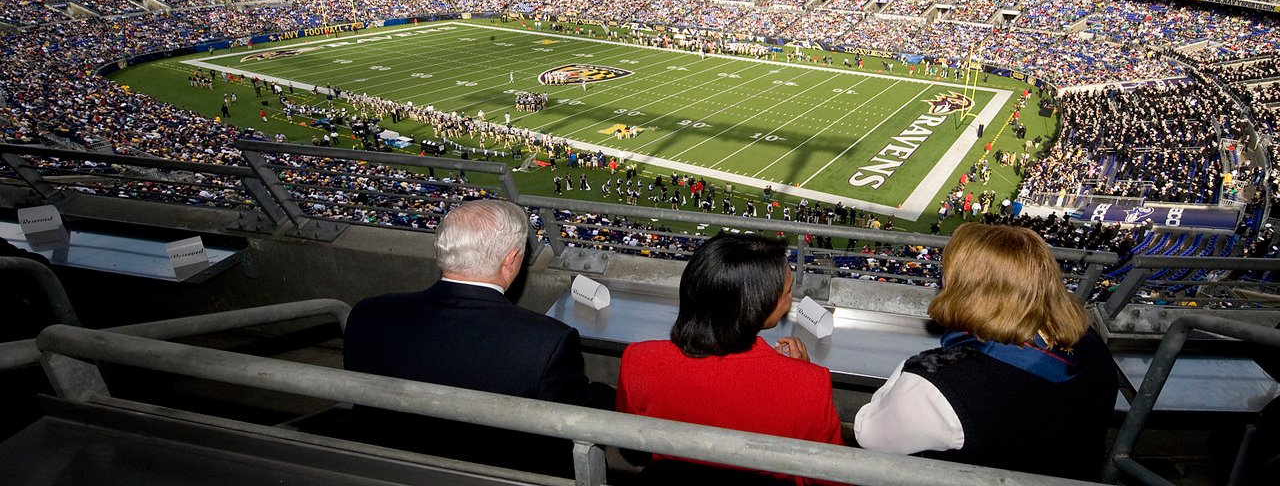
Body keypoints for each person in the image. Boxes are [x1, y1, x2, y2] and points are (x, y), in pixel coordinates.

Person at [343, 199, 613, 472]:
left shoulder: (368, 314)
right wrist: (608, 394)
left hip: (383, 470)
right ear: (511, 260)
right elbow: (572, 421)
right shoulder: (547, 342)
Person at [854, 223, 1118, 480]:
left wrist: (912, 366)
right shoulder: (1091, 345)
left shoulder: (941, 386)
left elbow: (868, 433)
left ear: (966, 289)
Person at [617, 233, 843, 484]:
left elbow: (634, 451)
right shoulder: (810, 384)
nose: (791, 299)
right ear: (758, 304)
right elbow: (830, 478)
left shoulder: (638, 359)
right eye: (788, 290)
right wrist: (799, 374)